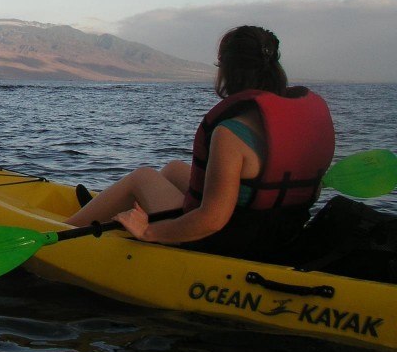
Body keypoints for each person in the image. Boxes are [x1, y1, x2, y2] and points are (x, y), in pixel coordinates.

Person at [64, 26, 335, 261]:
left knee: (143, 177)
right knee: (172, 169)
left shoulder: (233, 133)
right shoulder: (306, 118)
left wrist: (149, 232)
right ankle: (105, 209)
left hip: (232, 243)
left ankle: (65, 231)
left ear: (229, 70)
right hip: (283, 232)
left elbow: (212, 220)